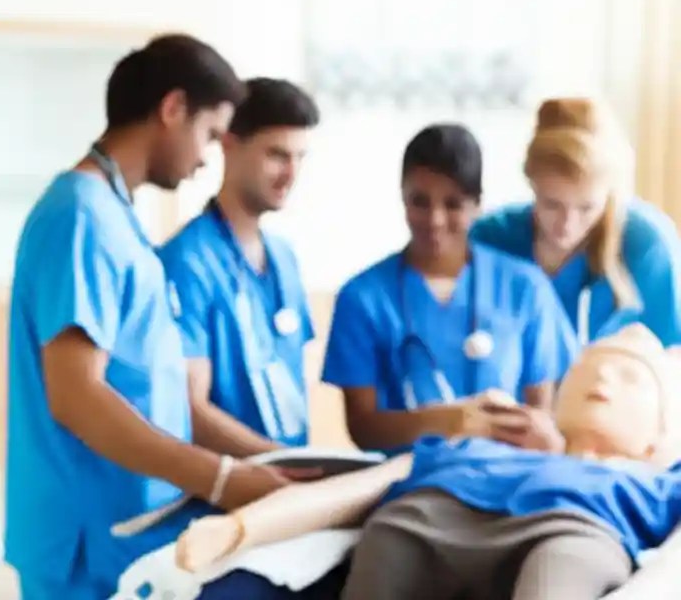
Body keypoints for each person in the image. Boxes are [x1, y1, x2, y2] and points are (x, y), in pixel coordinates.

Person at [5, 36, 322, 600]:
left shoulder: (115, 217)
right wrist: (220, 478)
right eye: (207, 134)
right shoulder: (81, 215)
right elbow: (76, 395)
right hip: (88, 545)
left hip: (132, 530)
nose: (205, 156)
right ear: (172, 110)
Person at [176, 323, 681, 600]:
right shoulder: (466, 450)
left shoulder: (656, 484)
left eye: (630, 379)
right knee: (391, 540)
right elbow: (349, 492)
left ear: (659, 436)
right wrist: (239, 528)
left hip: (573, 532)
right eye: (588, 370)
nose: (604, 382)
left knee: (567, 565)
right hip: (423, 521)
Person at [322, 123, 577, 455]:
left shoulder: (524, 288)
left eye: (453, 204)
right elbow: (363, 428)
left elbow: (540, 414)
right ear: (402, 197)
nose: (435, 219)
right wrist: (444, 420)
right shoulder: (363, 298)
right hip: (409, 486)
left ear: (478, 206)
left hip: (507, 479)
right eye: (420, 201)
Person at [159, 78, 320, 453]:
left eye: (300, 158)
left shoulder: (284, 258)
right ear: (228, 143)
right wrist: (282, 465)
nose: (291, 174)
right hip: (223, 493)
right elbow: (190, 411)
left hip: (287, 487)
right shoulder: (187, 262)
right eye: (277, 155)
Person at [471, 97, 681, 348]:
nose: (567, 224)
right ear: (532, 184)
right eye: (552, 204)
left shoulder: (646, 243)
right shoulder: (491, 239)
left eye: (587, 208)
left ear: (608, 194)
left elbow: (672, 353)